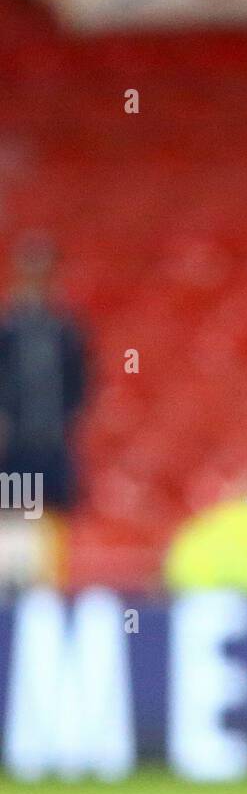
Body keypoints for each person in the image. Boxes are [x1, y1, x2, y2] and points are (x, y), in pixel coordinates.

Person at [0, 234, 87, 587]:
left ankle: (46, 584)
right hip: (14, 444)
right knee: (15, 512)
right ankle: (10, 583)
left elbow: (79, 383)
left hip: (51, 443)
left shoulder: (64, 329)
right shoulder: (9, 328)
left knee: (51, 515)